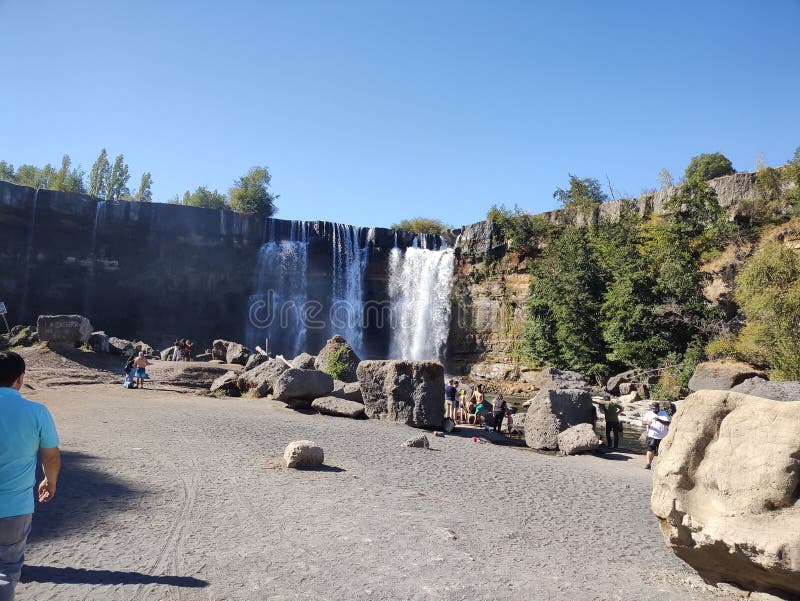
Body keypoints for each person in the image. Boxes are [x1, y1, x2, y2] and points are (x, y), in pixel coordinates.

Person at [0, 351, 61, 601]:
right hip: (15, 507)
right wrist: (50, 481)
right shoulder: (37, 411)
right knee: (6, 570)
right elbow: (51, 457)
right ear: (20, 379)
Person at [643, 401, 671, 470]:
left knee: (662, 451)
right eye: (653, 408)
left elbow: (668, 423)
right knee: (650, 449)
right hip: (651, 435)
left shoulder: (664, 413)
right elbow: (643, 422)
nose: (654, 409)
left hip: (662, 436)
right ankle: (648, 464)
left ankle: (661, 465)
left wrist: (658, 419)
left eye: (655, 408)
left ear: (658, 407)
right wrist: (647, 422)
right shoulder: (648, 413)